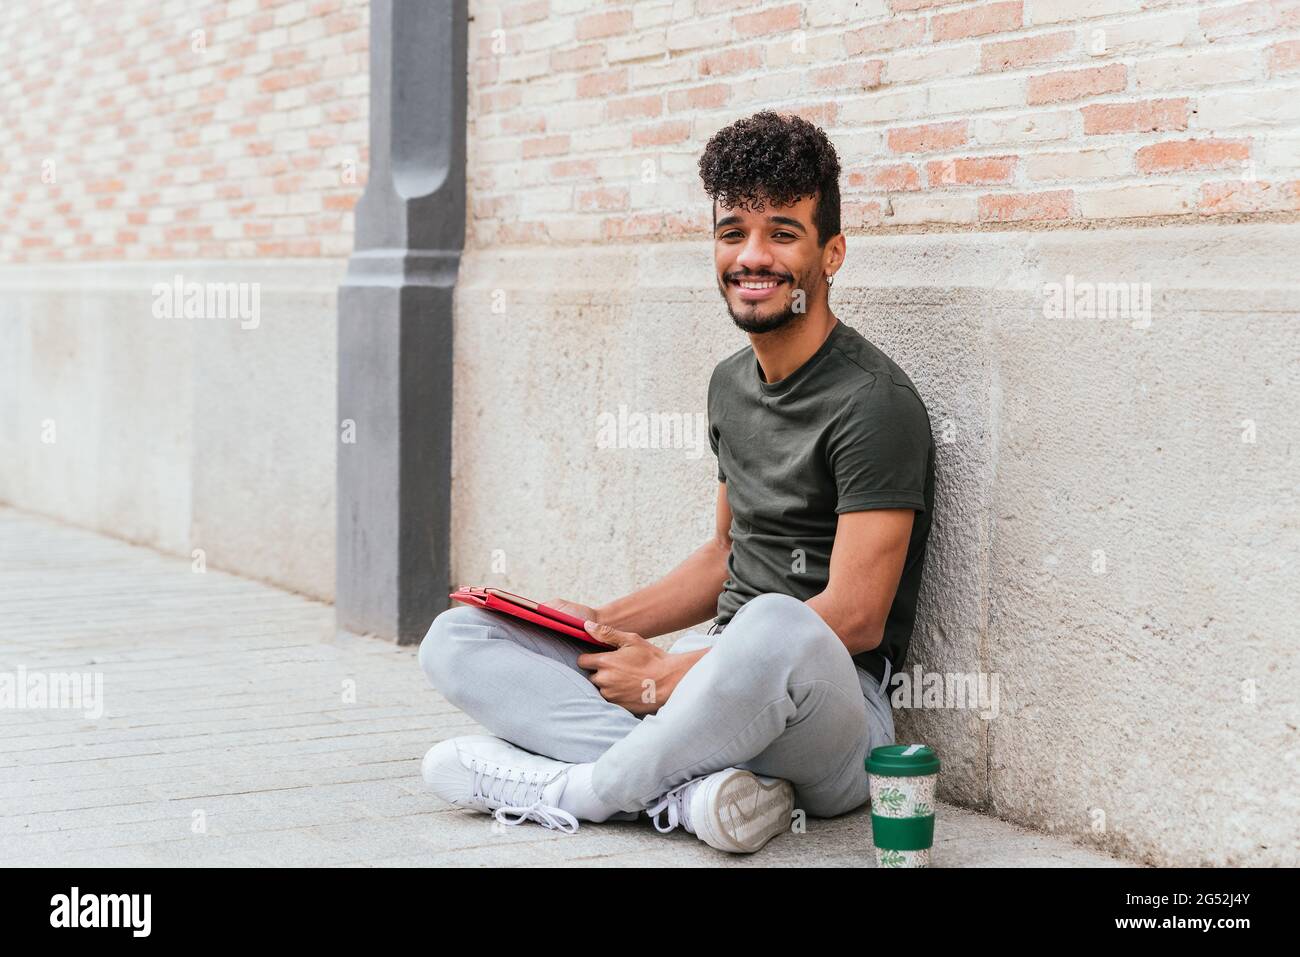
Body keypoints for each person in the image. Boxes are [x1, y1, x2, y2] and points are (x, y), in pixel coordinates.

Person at [418, 110, 936, 854]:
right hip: (712, 673)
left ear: (833, 253)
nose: (752, 256)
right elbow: (725, 553)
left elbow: (853, 616)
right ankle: (697, 794)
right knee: (459, 637)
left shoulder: (875, 403)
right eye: (733, 232)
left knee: (773, 623)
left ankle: (586, 791)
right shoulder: (731, 384)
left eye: (782, 233)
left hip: (827, 708)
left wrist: (667, 676)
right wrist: (598, 622)